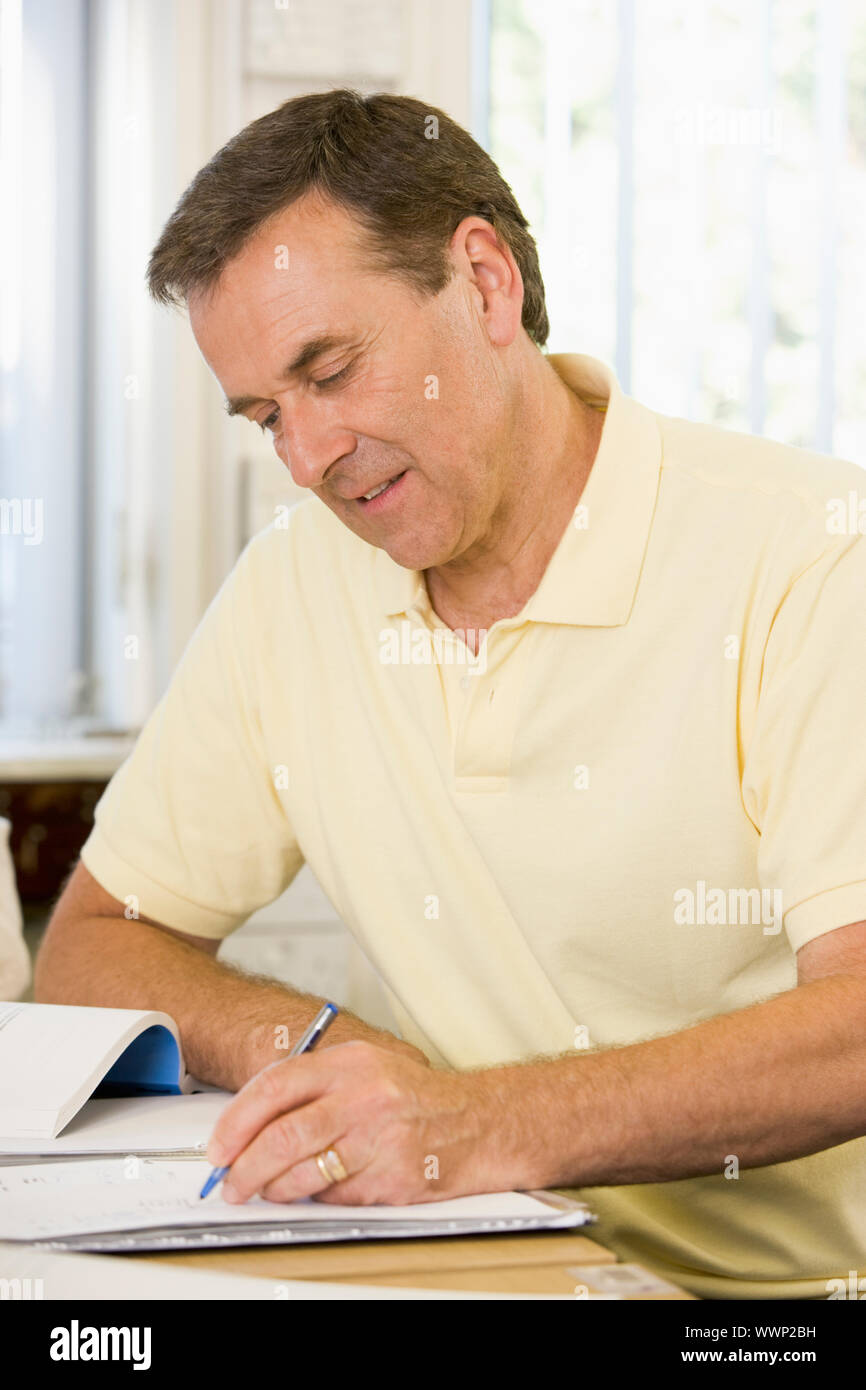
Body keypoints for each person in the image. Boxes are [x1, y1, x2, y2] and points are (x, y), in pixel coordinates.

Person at [36, 89, 866, 1300]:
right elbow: (96, 944)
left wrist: (470, 1122)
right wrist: (322, 1050)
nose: (307, 456)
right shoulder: (293, 586)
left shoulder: (809, 555)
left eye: (330, 369)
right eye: (267, 413)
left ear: (483, 283)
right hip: (485, 1258)